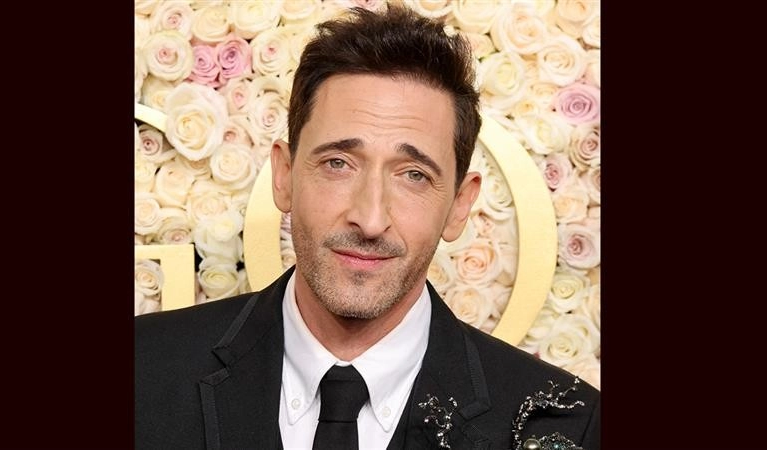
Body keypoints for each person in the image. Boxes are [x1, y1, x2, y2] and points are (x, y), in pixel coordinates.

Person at [135, 5, 599, 449]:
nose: (371, 219)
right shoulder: (142, 370)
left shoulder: (570, 426)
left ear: (460, 205)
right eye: (338, 163)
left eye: (414, 175)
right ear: (284, 176)